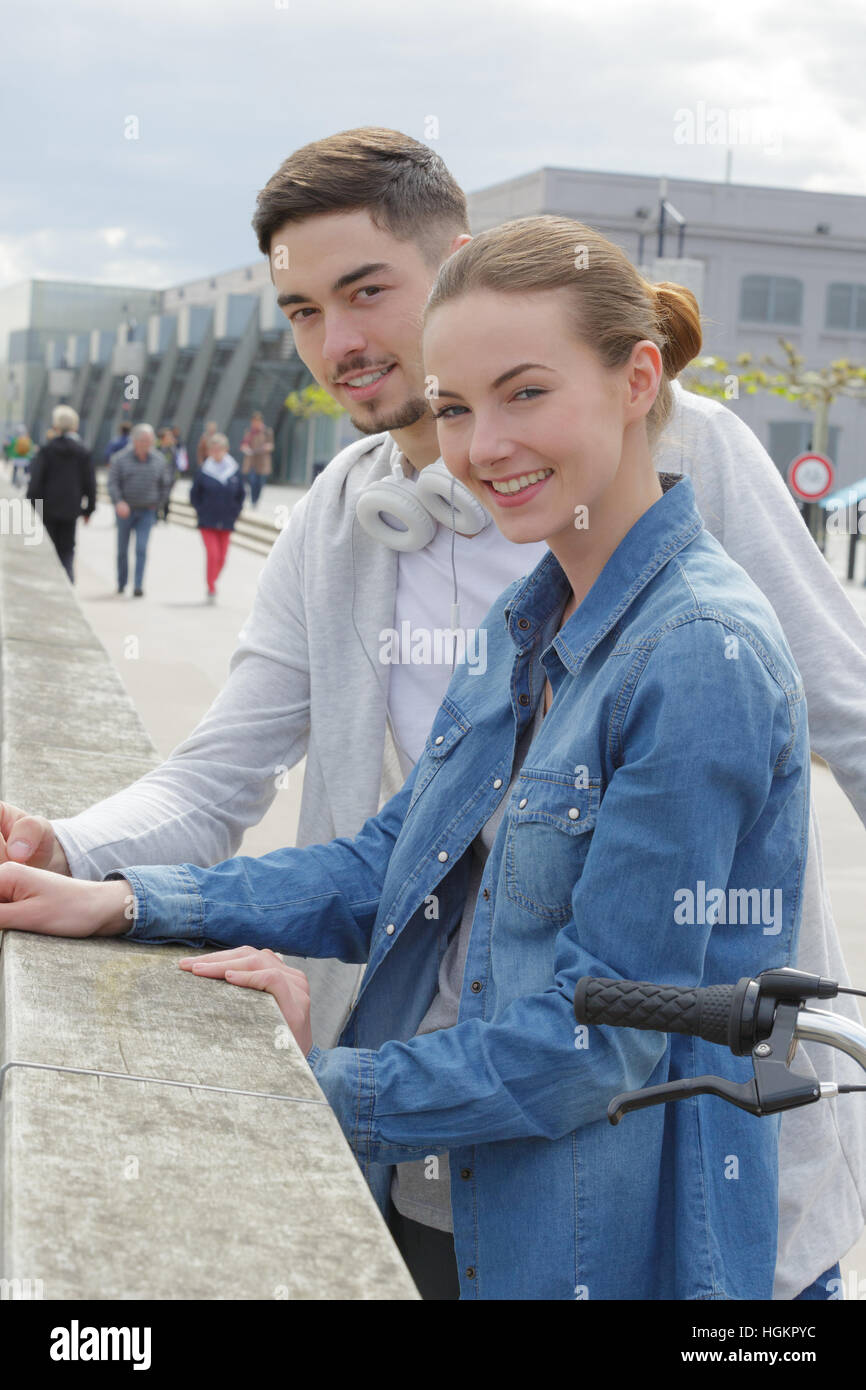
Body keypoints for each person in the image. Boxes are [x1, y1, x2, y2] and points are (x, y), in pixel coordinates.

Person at [0, 128, 863, 1299]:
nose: (338, 343)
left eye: (364, 292)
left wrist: (318, 1077)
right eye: (302, 311)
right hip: (457, 1156)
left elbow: (603, 1027)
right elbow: (366, 845)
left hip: (644, 1196)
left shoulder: (691, 555)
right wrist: (104, 879)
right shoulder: (506, 599)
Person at [25, 405, 96, 582]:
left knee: (49, 550)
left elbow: (35, 484)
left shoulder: (46, 450)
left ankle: (49, 583)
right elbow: (90, 483)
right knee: (67, 550)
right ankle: (68, 583)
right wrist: (89, 510)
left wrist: (33, 509)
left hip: (48, 509)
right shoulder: (82, 452)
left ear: (56, 426)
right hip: (71, 509)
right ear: (75, 426)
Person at [108, 422, 171, 597]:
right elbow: (112, 483)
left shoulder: (159, 460)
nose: (147, 444)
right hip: (125, 511)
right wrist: (119, 501)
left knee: (141, 548)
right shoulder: (120, 458)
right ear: (134, 441)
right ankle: (121, 583)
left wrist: (158, 504)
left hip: (147, 511)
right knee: (122, 550)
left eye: (150, 441)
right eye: (143, 440)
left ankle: (138, 585)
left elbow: (165, 484)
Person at [189, 432, 245, 603]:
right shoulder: (204, 471)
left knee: (222, 558)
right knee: (212, 555)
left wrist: (235, 511)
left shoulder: (234, 471)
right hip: (207, 521)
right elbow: (194, 494)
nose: (216, 452)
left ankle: (213, 581)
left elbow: (241, 494)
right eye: (213, 449)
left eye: (219, 449)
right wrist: (201, 510)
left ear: (226, 450)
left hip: (227, 521)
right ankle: (211, 587)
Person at [239, 410, 273, 507]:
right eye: (254, 421)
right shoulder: (249, 432)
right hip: (251, 461)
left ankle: (256, 499)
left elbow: (271, 445)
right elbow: (243, 444)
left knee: (260, 483)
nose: (255, 423)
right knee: (252, 481)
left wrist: (266, 447)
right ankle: (253, 500)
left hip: (262, 462)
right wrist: (246, 449)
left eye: (257, 421)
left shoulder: (267, 431)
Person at [155, 427, 177, 522]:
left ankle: (165, 515)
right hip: (157, 478)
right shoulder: (156, 448)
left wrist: (175, 478)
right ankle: (156, 514)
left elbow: (175, 465)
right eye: (169, 436)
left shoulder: (172, 449)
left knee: (167, 496)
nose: (171, 438)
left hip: (169, 478)